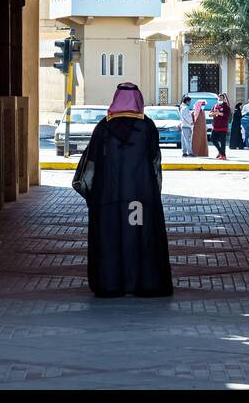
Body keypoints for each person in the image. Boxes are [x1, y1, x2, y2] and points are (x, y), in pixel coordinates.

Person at [71, 82, 173, 298]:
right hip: (140, 198)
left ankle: (111, 284)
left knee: (111, 237)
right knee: (139, 236)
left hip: (109, 199)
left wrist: (94, 194)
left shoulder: (103, 128)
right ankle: (142, 283)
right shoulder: (147, 127)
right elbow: (155, 162)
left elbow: (91, 164)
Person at [210, 92, 231, 159]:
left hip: (223, 127)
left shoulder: (226, 106)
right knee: (212, 139)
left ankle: (223, 155)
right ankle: (220, 152)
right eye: (219, 98)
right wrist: (213, 114)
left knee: (222, 141)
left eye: (221, 98)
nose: (220, 99)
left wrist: (219, 113)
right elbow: (210, 114)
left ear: (224, 99)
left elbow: (227, 115)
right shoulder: (215, 105)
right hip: (215, 126)